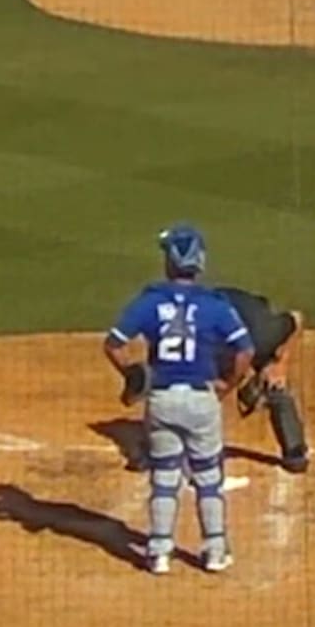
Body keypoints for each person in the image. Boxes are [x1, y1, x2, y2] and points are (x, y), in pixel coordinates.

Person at [104, 224, 254, 575]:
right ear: (199, 262)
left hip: (162, 400)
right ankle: (215, 550)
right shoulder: (215, 305)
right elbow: (245, 351)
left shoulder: (150, 301)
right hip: (202, 400)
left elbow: (113, 344)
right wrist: (227, 385)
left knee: (164, 475)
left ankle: (158, 552)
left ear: (169, 262)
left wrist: (132, 375)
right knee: (208, 477)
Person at [215, 287, 310, 473]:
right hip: (216, 319)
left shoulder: (266, 337)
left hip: (252, 322)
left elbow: (297, 318)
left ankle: (294, 451)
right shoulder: (210, 342)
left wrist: (280, 363)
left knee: (275, 382)